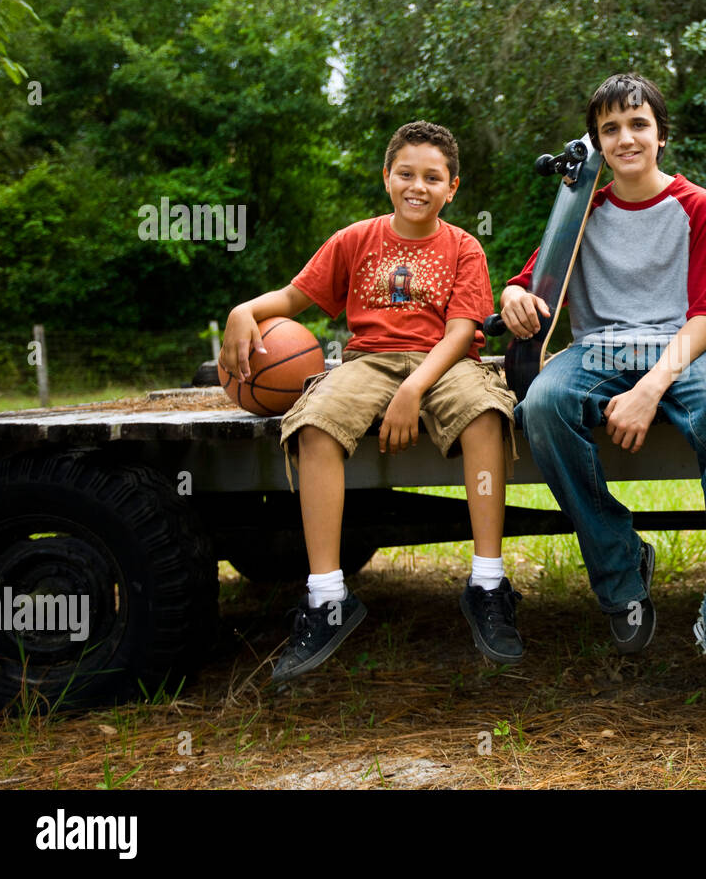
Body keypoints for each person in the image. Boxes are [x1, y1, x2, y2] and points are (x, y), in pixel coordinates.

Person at [499, 73, 706, 704]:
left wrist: (653, 387)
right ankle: (620, 565)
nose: (625, 138)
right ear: (596, 142)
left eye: (638, 124)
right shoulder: (579, 209)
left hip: (686, 346)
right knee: (541, 404)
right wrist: (515, 295)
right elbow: (529, 283)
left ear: (661, 135)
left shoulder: (697, 206)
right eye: (610, 128)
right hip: (597, 350)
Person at [220, 121, 523, 681]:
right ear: (387, 178)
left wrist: (414, 389)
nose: (418, 185)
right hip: (369, 361)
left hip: (446, 361)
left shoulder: (463, 246)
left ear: (451, 188)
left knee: (486, 414)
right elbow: (295, 296)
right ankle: (328, 597)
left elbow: (461, 332)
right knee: (313, 424)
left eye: (433, 177)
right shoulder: (355, 239)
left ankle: (487, 585)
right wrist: (246, 310)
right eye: (406, 173)